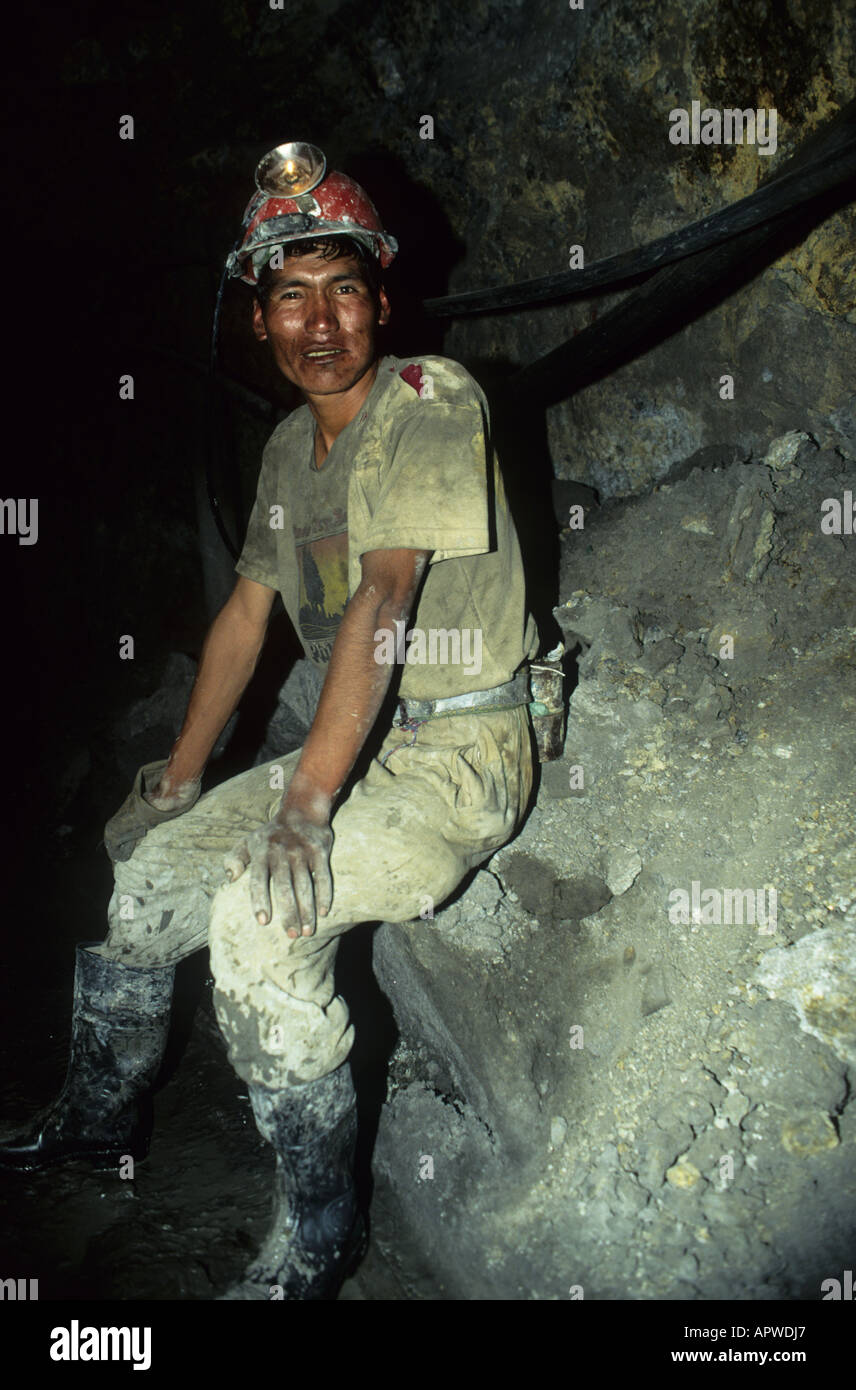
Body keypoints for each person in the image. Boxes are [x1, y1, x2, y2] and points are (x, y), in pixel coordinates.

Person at [0, 145, 540, 1299]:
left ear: (382, 300)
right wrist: (182, 780)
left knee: (259, 917)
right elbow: (247, 617)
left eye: (342, 286)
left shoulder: (428, 401)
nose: (319, 319)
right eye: (288, 293)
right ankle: (96, 1129)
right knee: (145, 878)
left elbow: (385, 596)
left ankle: (316, 1236)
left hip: (452, 753)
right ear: (258, 318)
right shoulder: (289, 449)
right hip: (361, 743)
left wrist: (304, 802)